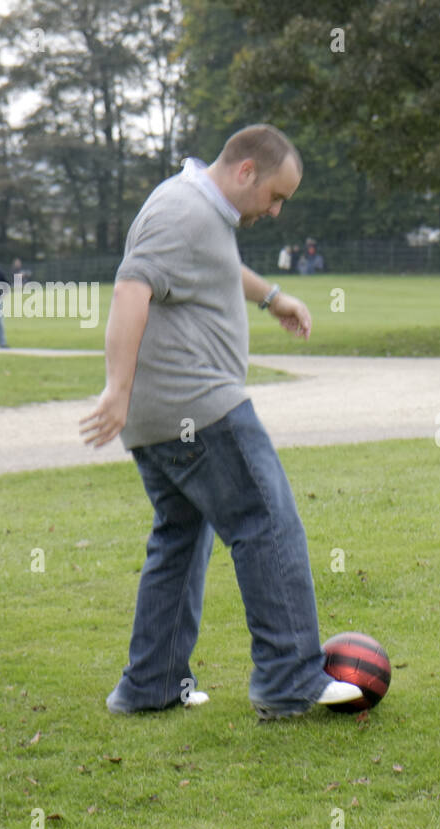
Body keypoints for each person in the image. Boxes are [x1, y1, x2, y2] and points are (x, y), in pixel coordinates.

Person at [78, 124, 364, 719]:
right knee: (266, 522)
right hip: (198, 405)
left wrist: (272, 297)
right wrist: (116, 389)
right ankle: (290, 680)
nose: (278, 211)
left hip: (165, 419)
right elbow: (132, 289)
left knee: (180, 537)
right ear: (246, 172)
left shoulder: (199, 211)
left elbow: (210, 268)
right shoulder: (181, 211)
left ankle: (150, 684)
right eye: (276, 196)